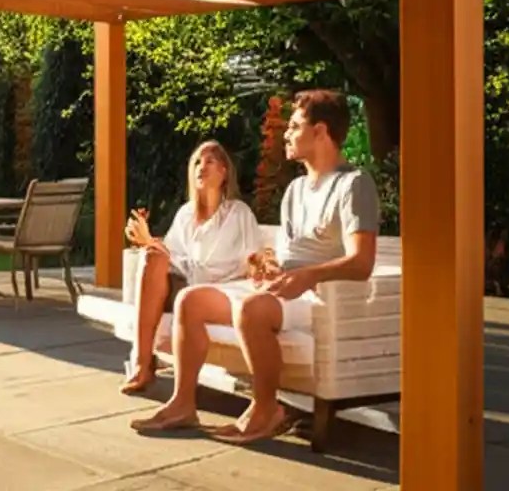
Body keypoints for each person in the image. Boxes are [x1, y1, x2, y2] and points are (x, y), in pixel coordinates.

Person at [130, 89, 380, 444]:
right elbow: (292, 257)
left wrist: (307, 276)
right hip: (286, 291)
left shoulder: (353, 185)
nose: (288, 134)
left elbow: (362, 262)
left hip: (323, 300)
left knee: (250, 309)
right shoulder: (295, 190)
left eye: (294, 126)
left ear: (321, 131)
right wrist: (268, 269)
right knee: (190, 301)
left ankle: (267, 409)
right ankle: (182, 403)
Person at [118, 140, 260, 395]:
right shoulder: (185, 214)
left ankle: (147, 365)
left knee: (155, 253)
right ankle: (142, 362)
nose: (201, 167)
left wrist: (152, 243)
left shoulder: (239, 213)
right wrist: (148, 243)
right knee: (152, 257)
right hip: (182, 287)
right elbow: (172, 258)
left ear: (224, 171)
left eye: (209, 161)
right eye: (196, 162)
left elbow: (249, 260)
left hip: (218, 292)